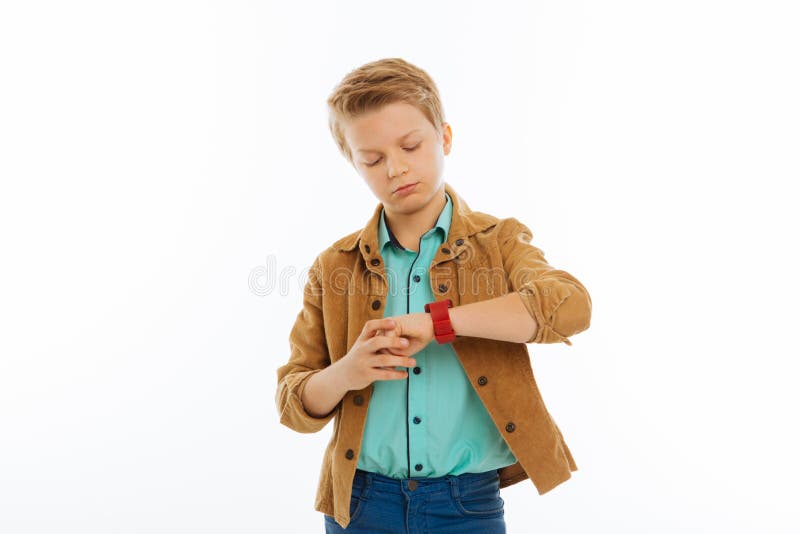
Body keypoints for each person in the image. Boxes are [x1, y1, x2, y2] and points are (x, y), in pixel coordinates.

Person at [275, 57, 592, 533]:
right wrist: (347, 372)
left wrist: (438, 322)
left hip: (466, 505)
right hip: (359, 504)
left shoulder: (499, 242)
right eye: (372, 159)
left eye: (410, 145)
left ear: (444, 137)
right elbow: (293, 404)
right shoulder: (335, 266)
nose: (396, 168)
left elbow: (570, 307)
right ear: (353, 164)